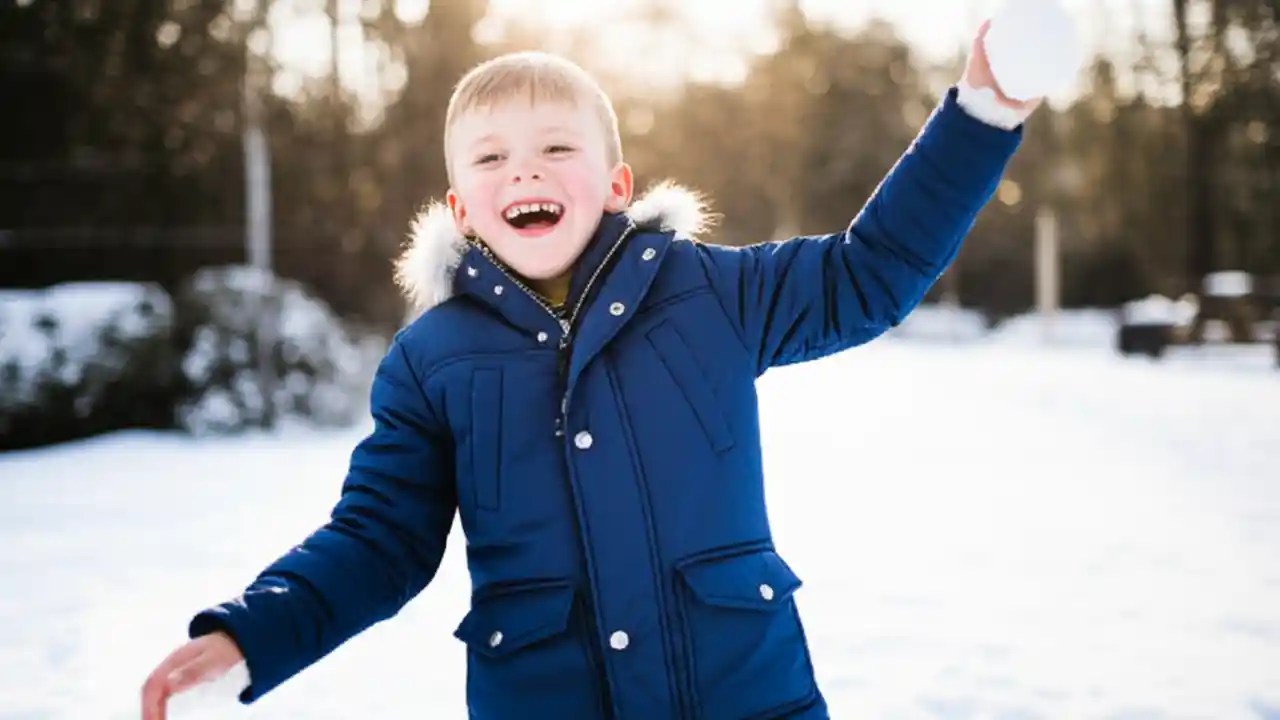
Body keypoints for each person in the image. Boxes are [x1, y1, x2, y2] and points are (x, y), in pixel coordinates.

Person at [142, 21, 1039, 720]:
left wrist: (980, 118)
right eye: (491, 157)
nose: (522, 167)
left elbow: (864, 274)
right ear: (461, 206)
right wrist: (251, 633)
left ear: (615, 182)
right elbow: (378, 539)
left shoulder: (709, 293)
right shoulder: (431, 363)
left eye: (555, 148)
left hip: (745, 698)